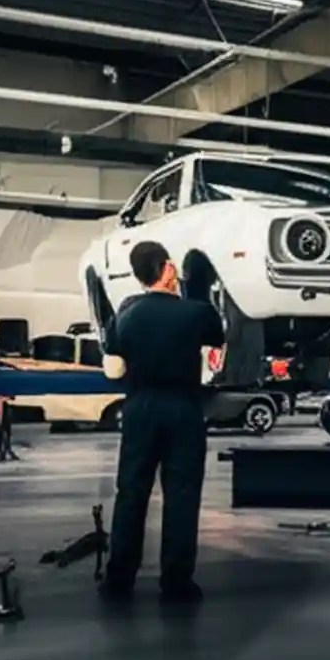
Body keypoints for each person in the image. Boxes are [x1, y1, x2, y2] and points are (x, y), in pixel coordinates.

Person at [99, 241, 225, 603]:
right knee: (182, 497)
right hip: (183, 410)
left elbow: (113, 359)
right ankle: (176, 582)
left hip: (139, 408)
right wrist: (198, 288)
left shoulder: (126, 314)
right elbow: (217, 335)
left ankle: (119, 579)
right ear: (167, 269)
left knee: (131, 493)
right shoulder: (194, 312)